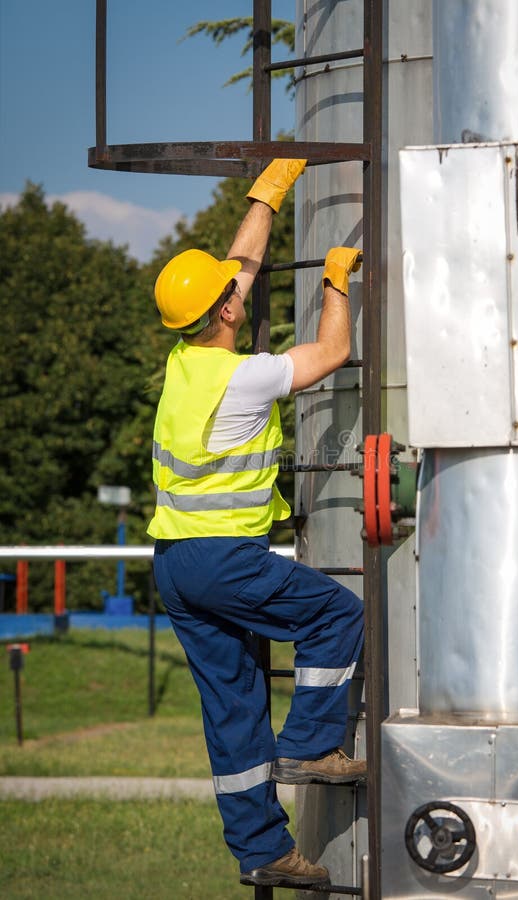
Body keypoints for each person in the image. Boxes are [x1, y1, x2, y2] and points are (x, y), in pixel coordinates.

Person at [148, 158, 365, 889]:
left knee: (233, 707)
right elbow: (332, 352)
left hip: (175, 565)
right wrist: (335, 281)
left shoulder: (185, 359)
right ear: (229, 314)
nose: (237, 289)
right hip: (223, 560)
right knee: (337, 614)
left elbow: (239, 265)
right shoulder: (245, 378)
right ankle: (311, 744)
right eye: (231, 293)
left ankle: (263, 852)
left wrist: (267, 194)